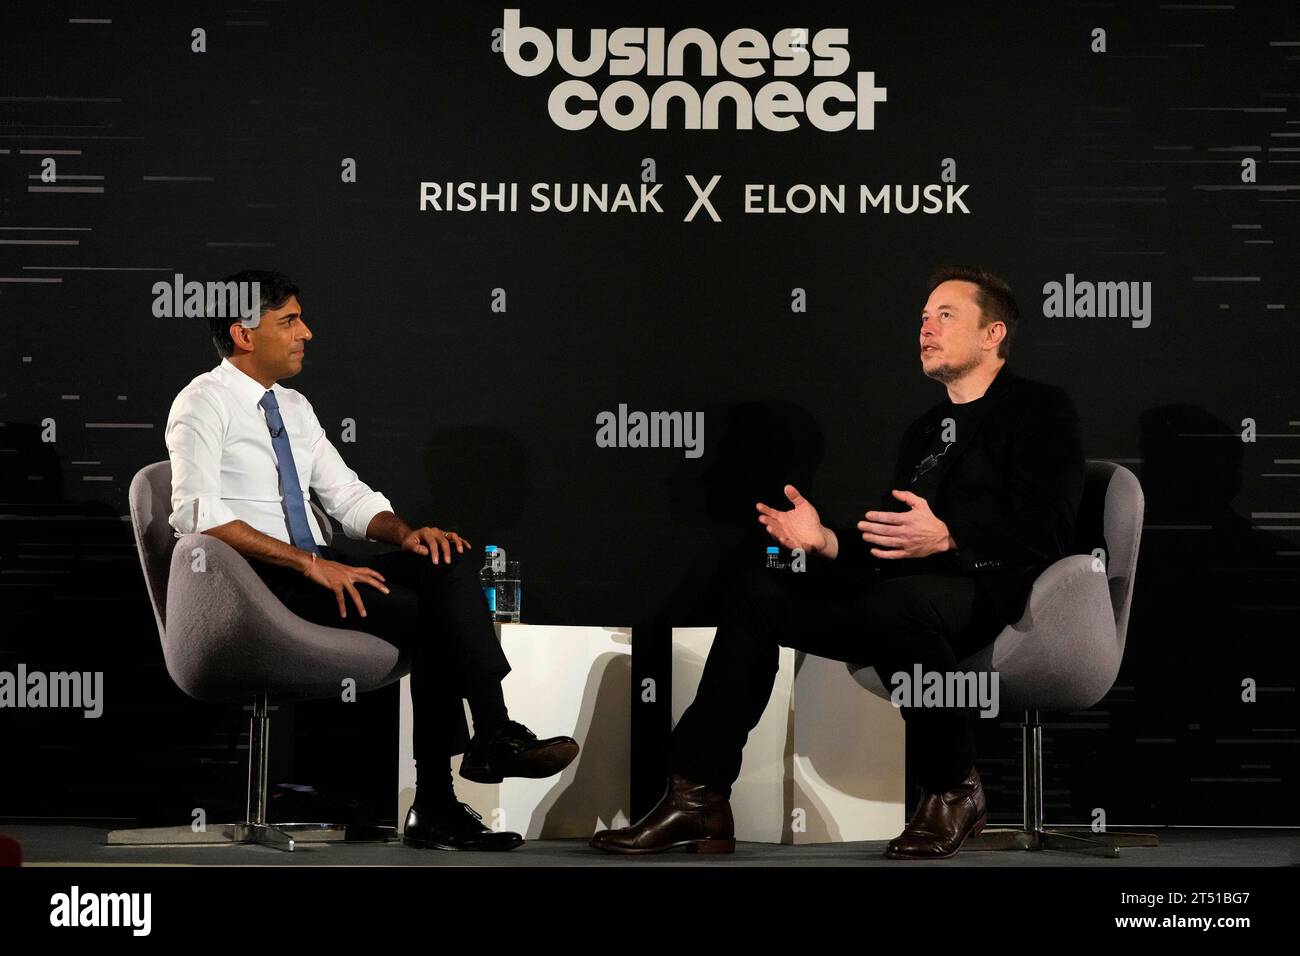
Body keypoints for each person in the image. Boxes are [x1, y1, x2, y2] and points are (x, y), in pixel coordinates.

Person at [591, 265, 1085, 859]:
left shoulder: (1039, 409)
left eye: (945, 315)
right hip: (901, 600)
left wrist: (950, 537)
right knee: (758, 590)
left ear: (993, 333)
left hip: (995, 598)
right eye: (923, 318)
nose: (925, 328)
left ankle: (954, 788)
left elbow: (1050, 530)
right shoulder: (927, 429)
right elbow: (886, 542)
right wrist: (825, 541)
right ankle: (698, 796)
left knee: (897, 601)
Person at [164, 269, 578, 851]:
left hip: (318, 563)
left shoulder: (294, 406)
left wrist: (405, 534)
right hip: (258, 583)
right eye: (289, 321)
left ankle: (489, 735)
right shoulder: (202, 404)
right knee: (436, 615)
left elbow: (348, 496)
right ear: (244, 334)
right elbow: (195, 515)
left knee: (448, 560)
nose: (306, 332)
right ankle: (446, 791)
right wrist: (310, 566)